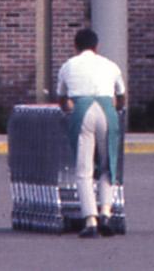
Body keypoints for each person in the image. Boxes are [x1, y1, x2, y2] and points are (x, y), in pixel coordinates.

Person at [57, 27, 127, 238]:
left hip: (82, 111)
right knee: (108, 165)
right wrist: (116, 107)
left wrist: (68, 108)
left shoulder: (68, 66)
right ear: (96, 47)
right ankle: (106, 212)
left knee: (84, 169)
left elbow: (62, 98)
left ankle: (90, 220)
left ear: (75, 47)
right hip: (107, 111)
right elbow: (121, 96)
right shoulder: (110, 65)